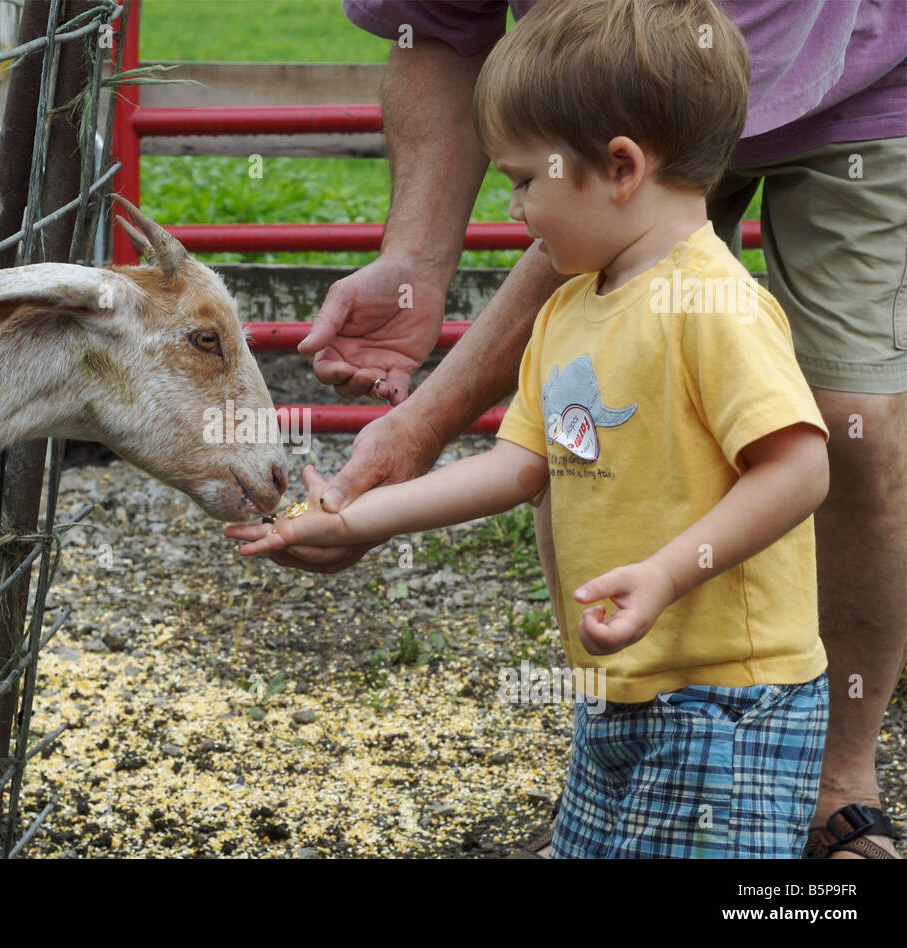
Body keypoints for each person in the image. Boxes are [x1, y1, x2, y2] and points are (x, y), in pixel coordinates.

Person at [255, 0, 906, 858]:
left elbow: (800, 472)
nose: (517, 212)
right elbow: (519, 464)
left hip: (727, 708)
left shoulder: (717, 311)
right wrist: (358, 516)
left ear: (623, 167)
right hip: (616, 688)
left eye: (525, 181)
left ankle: (836, 794)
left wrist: (669, 575)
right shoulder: (570, 310)